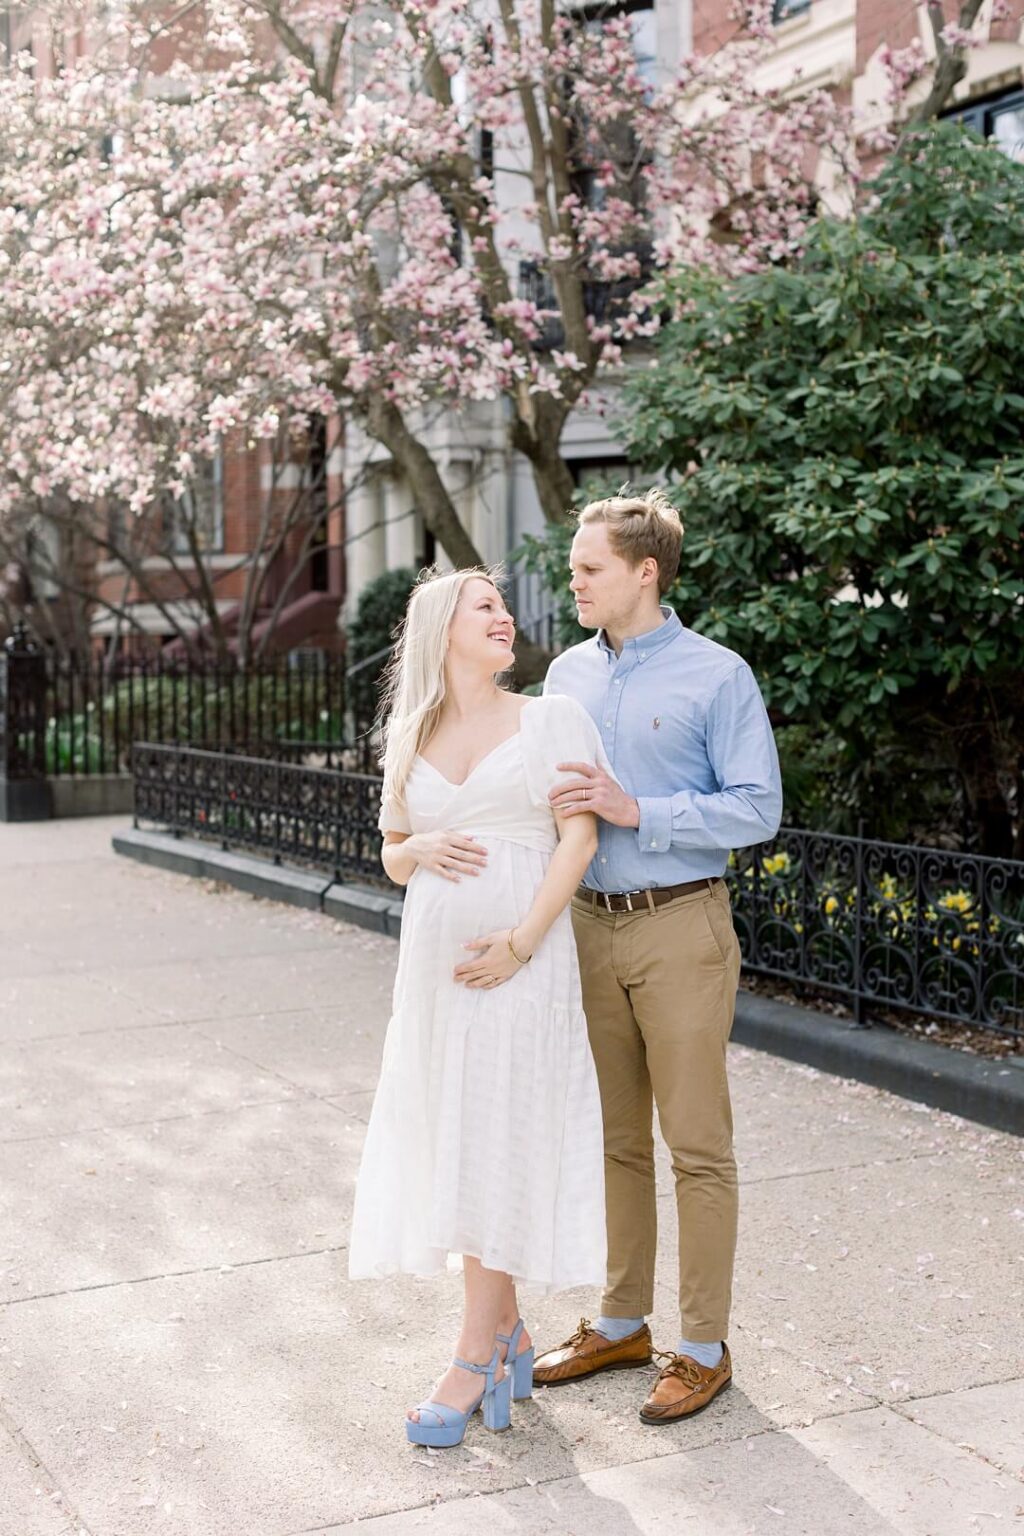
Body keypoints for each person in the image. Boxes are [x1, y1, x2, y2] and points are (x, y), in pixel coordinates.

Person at [534, 488, 783, 1425]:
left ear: (646, 571)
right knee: (614, 1140)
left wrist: (641, 810)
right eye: (573, 569)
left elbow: (758, 807)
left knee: (698, 1148)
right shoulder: (564, 675)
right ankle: (622, 1320)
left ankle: (705, 1347)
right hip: (587, 927)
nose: (575, 583)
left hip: (681, 926)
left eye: (589, 568)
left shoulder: (719, 675)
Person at [348, 565, 610, 1448]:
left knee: (496, 1138)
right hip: (432, 975)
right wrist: (416, 842)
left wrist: (520, 943)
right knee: (457, 1141)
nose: (505, 618)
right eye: (485, 607)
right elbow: (391, 856)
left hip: (521, 967)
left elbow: (580, 837)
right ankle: (511, 1334)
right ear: (441, 627)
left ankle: (474, 1356)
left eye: (504, 607)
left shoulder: (547, 720)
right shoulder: (409, 730)